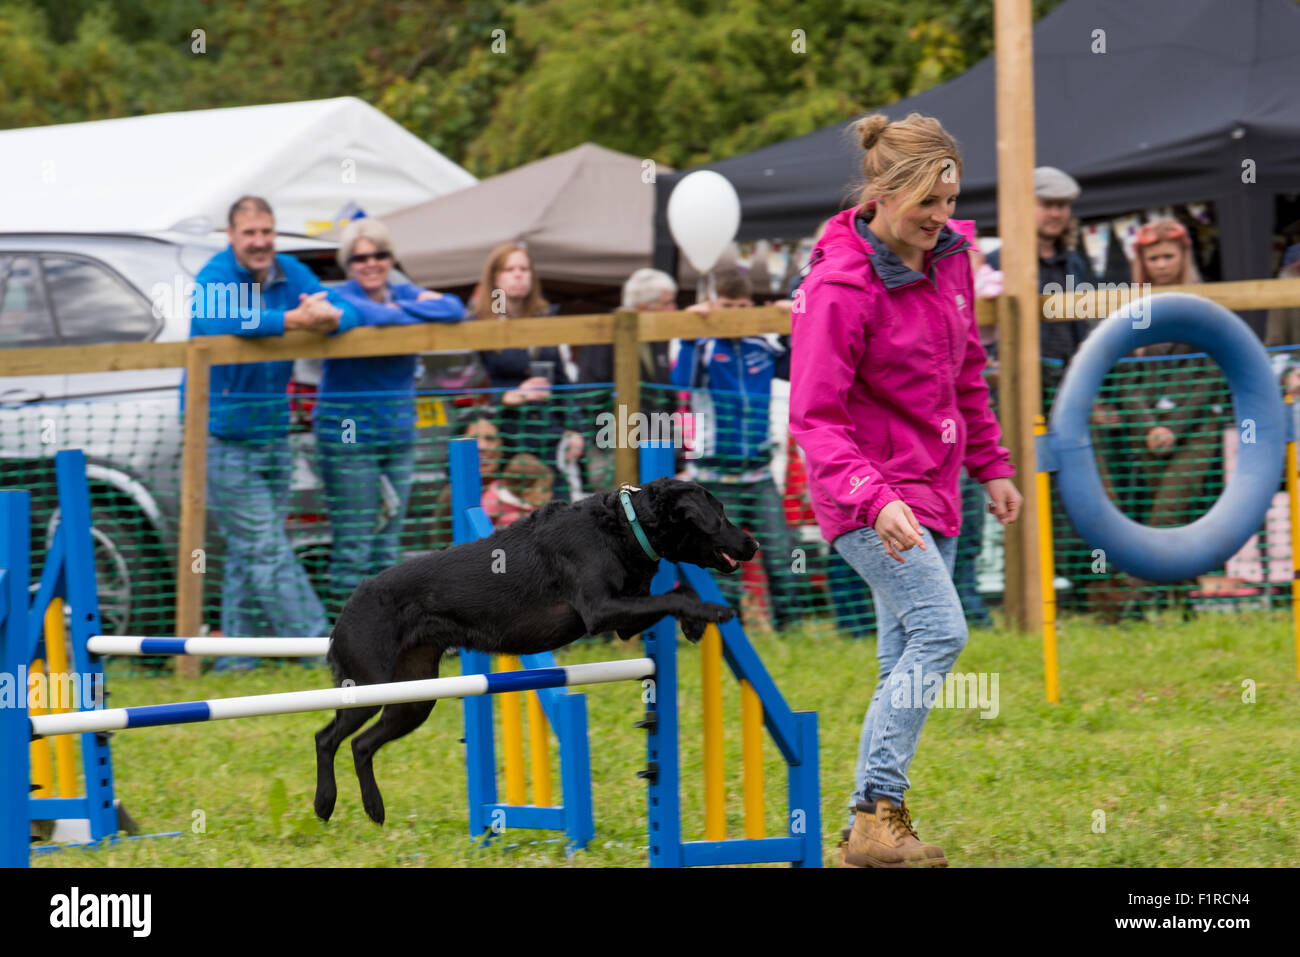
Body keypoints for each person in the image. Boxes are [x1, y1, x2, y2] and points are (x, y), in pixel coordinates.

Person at [790, 112, 1022, 867]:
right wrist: (875, 495)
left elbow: (964, 373)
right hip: (868, 495)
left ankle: (872, 838)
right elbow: (815, 417)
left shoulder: (950, 258)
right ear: (883, 191)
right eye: (927, 201)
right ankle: (873, 810)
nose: (941, 218)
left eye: (949, 200)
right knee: (941, 630)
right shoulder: (838, 287)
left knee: (902, 660)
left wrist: (992, 464)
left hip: (938, 484)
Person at [188, 195, 359, 671]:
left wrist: (331, 317)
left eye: (267, 231)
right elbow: (220, 319)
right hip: (221, 436)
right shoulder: (215, 275)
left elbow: (348, 310)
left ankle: (233, 663)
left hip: (273, 433)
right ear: (232, 237)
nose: (260, 241)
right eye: (250, 233)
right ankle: (327, 654)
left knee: (252, 551)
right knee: (264, 547)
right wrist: (293, 320)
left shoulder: (290, 272)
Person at [315, 218, 465, 621]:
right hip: (349, 435)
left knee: (388, 541)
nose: (371, 263)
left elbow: (453, 308)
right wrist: (403, 312)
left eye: (379, 255)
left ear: (390, 258)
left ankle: (380, 628)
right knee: (355, 541)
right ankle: (342, 631)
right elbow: (366, 315)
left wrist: (400, 307)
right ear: (348, 263)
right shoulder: (336, 294)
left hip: (398, 432)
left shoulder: (403, 291)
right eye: (360, 257)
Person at [1102, 218, 1223, 617]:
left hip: (1195, 430)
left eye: (1168, 256)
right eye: (1153, 258)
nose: (1162, 265)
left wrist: (1173, 426)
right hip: (1147, 430)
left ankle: (1134, 596)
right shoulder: (1130, 306)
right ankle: (1179, 603)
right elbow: (1121, 375)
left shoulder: (1209, 303)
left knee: (1169, 511)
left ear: (1184, 256)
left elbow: (1210, 377)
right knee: (1167, 514)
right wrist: (1148, 425)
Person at [673, 267, 804, 633]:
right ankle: (733, 635)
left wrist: (786, 320)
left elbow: (798, 366)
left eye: (741, 306)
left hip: (760, 474)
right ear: (713, 302)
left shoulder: (761, 343)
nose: (734, 313)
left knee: (781, 554)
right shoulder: (701, 345)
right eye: (726, 305)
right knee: (724, 562)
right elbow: (680, 383)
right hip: (714, 477)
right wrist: (688, 334)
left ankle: (792, 631)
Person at [472, 242, 585, 499]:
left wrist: (575, 429)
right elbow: (471, 381)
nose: (518, 274)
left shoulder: (543, 318)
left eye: (524, 268)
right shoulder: (484, 322)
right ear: (495, 277)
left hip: (548, 435)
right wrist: (507, 397)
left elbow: (562, 381)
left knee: (560, 514)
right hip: (506, 439)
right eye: (510, 269)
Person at [481, 452, 553, 528]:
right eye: (545, 490)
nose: (551, 494)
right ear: (526, 492)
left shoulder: (501, 490)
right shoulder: (514, 519)